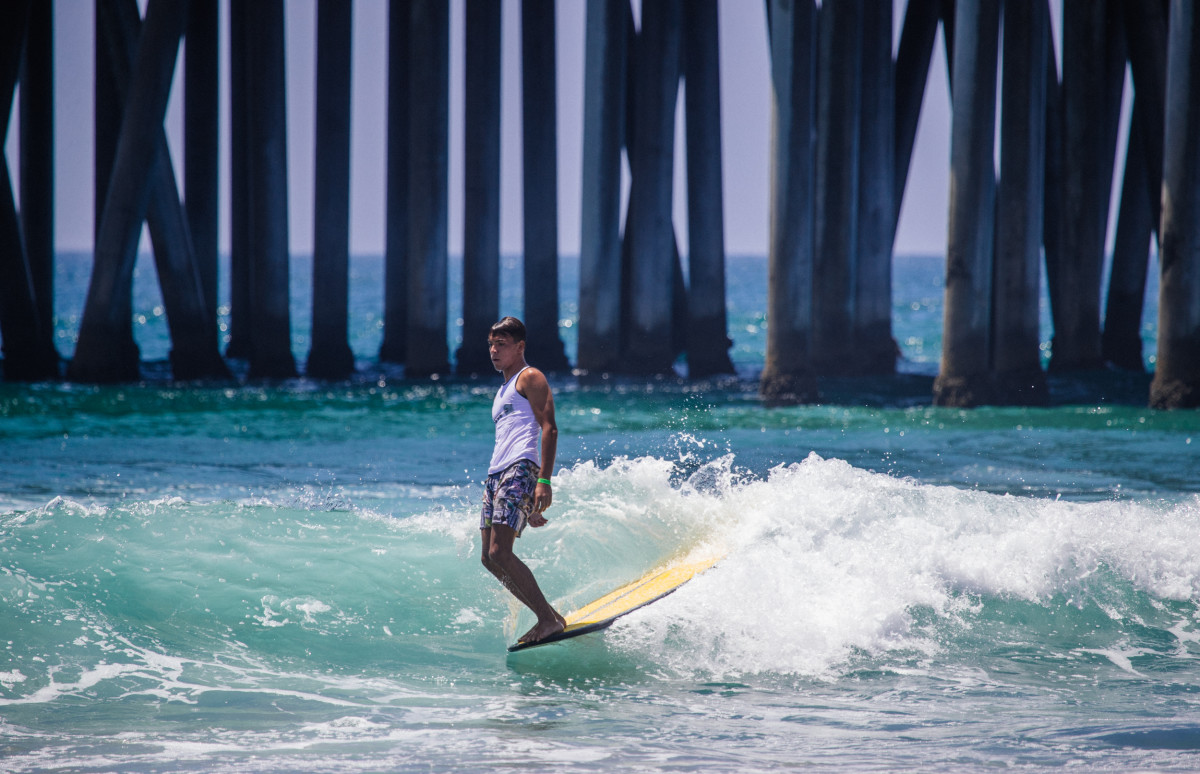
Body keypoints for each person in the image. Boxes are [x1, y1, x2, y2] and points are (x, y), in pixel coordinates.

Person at [479, 316, 566, 645]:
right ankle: (551, 617)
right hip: (496, 475)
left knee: (502, 551)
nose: (494, 350)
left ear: (520, 347)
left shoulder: (529, 377)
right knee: (488, 558)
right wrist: (526, 502)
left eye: (501, 344)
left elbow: (549, 427)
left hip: (520, 468)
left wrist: (542, 480)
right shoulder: (502, 390)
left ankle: (546, 619)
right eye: (491, 344)